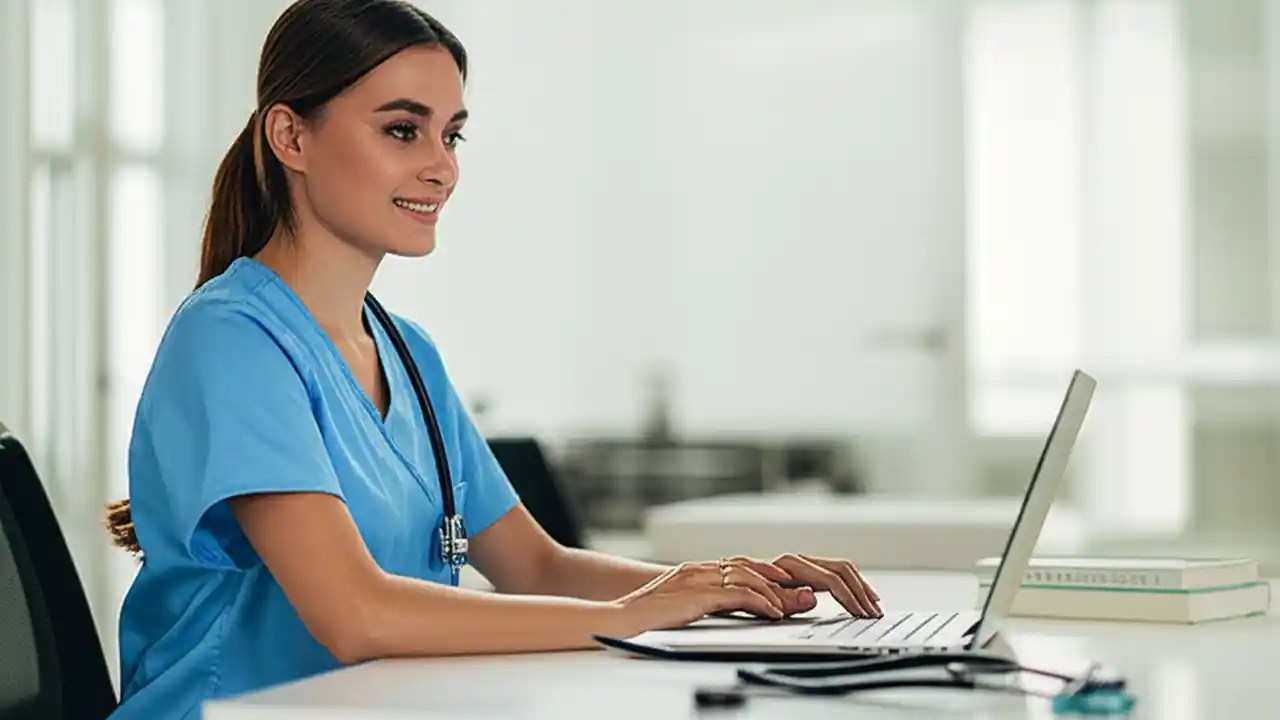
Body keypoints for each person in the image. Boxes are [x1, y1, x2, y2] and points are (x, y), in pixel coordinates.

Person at [103, 1, 882, 717]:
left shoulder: (408, 354)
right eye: (402, 130)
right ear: (291, 137)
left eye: (452, 133)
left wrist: (722, 584)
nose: (441, 166)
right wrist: (623, 619)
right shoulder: (232, 342)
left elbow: (534, 567)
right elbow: (353, 614)